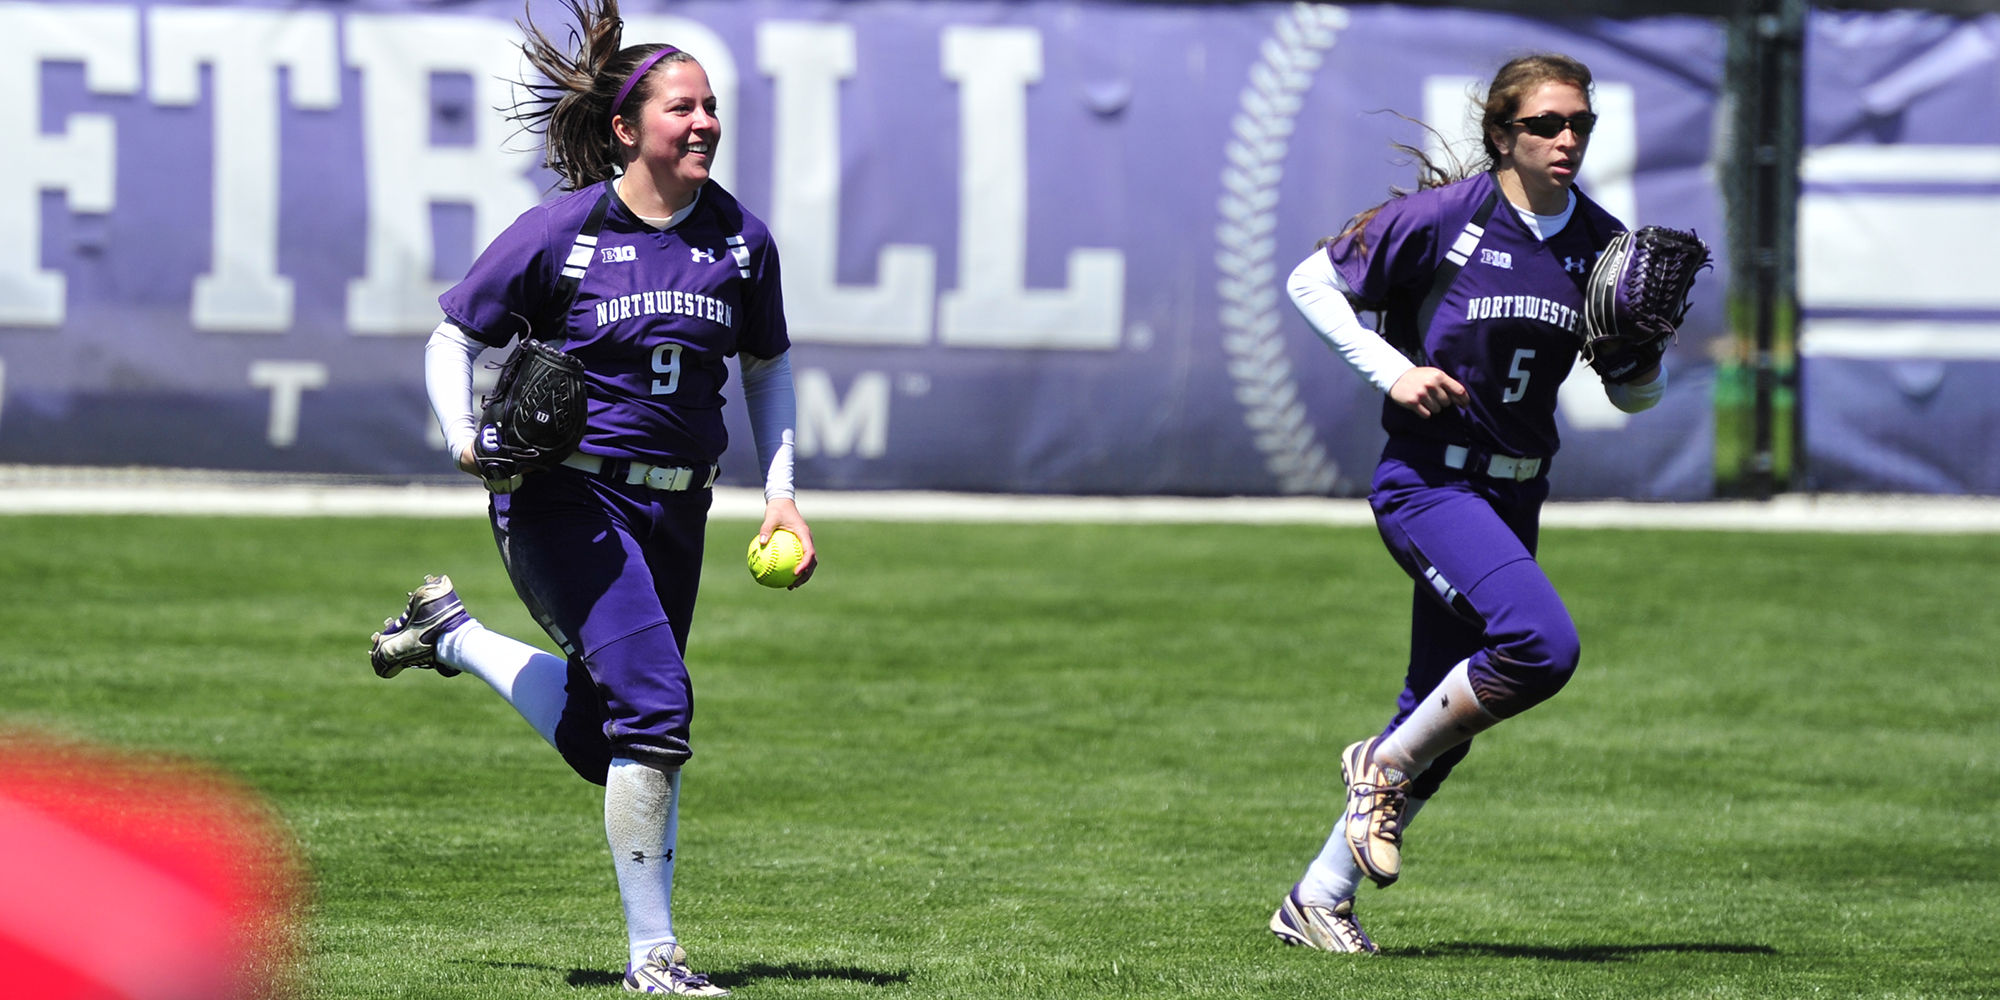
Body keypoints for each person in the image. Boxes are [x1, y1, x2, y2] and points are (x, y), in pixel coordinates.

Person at [367, 0, 814, 992]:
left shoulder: (740, 241)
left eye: (710, 108)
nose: (702, 123)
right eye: (680, 109)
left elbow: (768, 365)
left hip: (675, 510)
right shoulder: (563, 232)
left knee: (603, 735)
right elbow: (454, 338)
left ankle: (452, 634)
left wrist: (779, 496)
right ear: (625, 127)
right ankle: (654, 957)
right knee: (655, 710)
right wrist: (458, 439)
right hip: (561, 499)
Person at [1268, 54, 1667, 954]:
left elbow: (1635, 396)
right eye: (1546, 125)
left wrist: (1642, 361)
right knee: (1540, 646)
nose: (1566, 140)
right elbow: (1310, 282)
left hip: (1518, 491)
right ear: (1502, 134)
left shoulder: (1601, 244)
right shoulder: (1450, 216)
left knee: (1437, 711)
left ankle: (1318, 901)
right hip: (1431, 483)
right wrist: (1395, 369)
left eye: (1580, 126)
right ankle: (1378, 767)